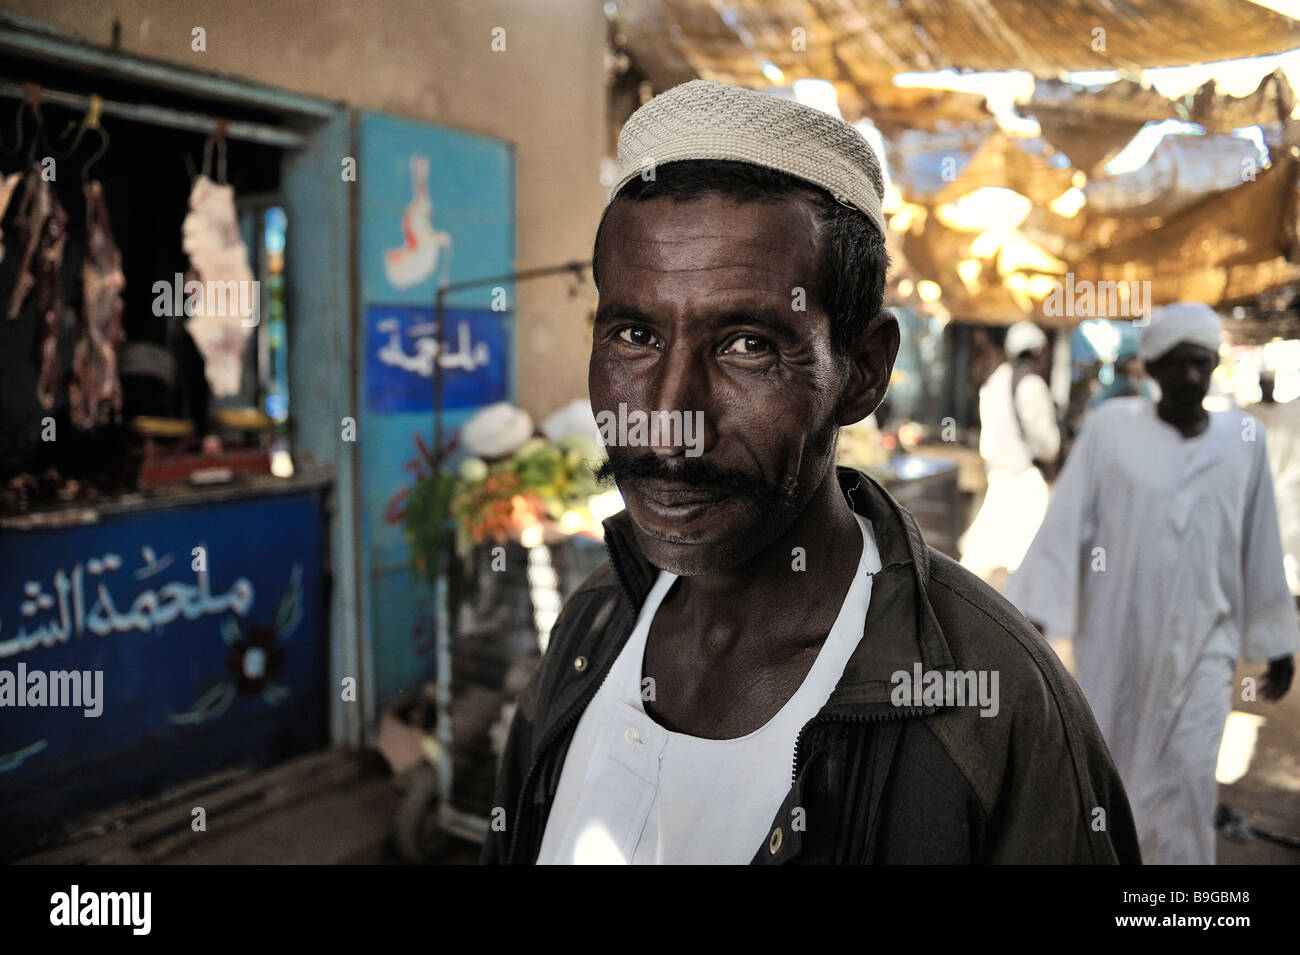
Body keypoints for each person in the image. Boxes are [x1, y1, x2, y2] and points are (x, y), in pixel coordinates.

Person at [482, 79, 1138, 865]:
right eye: (633, 335)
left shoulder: (991, 710)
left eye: (747, 345)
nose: (668, 421)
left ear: (862, 370)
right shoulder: (594, 624)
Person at [1004, 301, 1298, 865]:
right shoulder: (1112, 431)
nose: (1188, 377)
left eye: (1199, 363)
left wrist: (1275, 638)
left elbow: (1259, 544)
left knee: (1188, 782)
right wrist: (1033, 614)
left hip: (1207, 653)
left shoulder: (1244, 440)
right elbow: (1066, 524)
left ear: (1214, 365)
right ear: (1154, 368)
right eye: (1175, 364)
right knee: (1112, 779)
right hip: (1118, 645)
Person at [958, 321, 1060, 581]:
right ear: (1036, 351)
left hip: (999, 472)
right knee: (1020, 559)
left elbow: (987, 438)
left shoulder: (995, 380)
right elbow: (1047, 443)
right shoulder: (1031, 384)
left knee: (986, 556)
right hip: (1023, 476)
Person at [1246, 370, 1300, 600]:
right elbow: (1245, 449)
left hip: (1290, 490)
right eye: (1263, 383)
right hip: (1260, 489)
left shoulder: (1291, 411)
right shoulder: (1248, 415)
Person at [1087, 339, 1155, 410]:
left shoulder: (1150, 383)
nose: (1133, 369)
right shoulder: (1122, 384)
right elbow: (1096, 404)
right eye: (1128, 368)